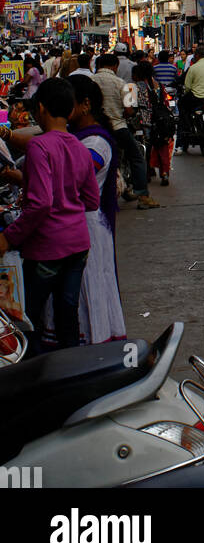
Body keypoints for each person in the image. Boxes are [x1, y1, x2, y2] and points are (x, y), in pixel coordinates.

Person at [0, 77, 100, 351]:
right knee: (67, 311)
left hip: (47, 247)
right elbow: (91, 200)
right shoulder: (80, 147)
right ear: (69, 111)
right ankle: (69, 368)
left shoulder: (39, 147)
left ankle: (33, 372)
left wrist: (9, 238)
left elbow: (41, 203)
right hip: (78, 244)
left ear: (40, 109)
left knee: (29, 315)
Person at [43, 76, 125, 345]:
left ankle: (91, 345)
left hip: (88, 226)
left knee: (87, 287)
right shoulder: (73, 136)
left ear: (85, 105)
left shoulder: (96, 142)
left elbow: (73, 177)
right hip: (77, 224)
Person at [93, 53, 159, 210]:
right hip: (118, 127)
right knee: (137, 157)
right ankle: (143, 196)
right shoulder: (121, 83)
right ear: (115, 66)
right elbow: (129, 111)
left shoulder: (90, 80)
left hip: (95, 130)